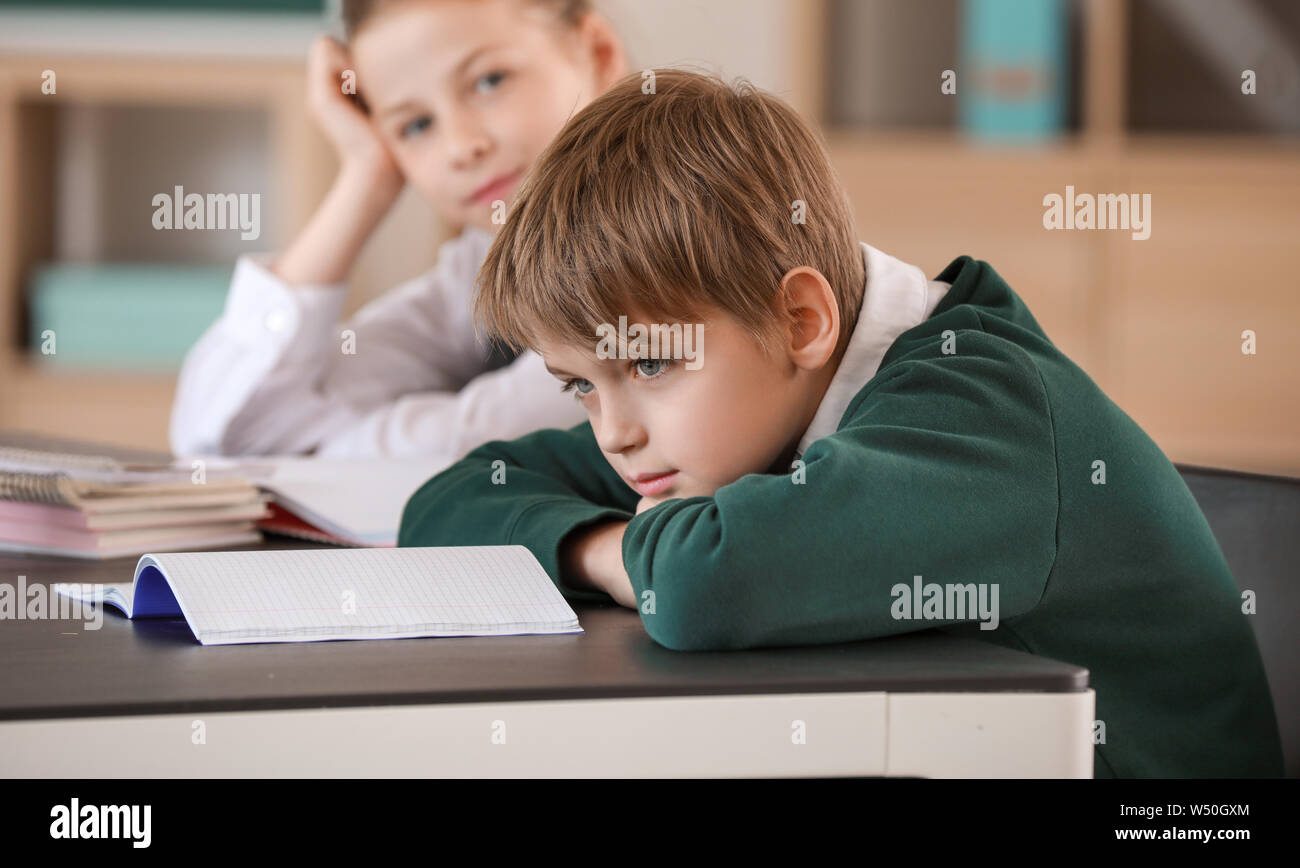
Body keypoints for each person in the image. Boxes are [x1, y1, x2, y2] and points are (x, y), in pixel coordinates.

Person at [398, 69, 1284, 778]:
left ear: (801, 322)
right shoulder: (715, 424)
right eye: (579, 386)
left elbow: (706, 582)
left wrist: (641, 556)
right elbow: (451, 501)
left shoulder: (979, 407)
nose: (614, 432)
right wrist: (607, 545)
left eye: (652, 363)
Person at [170, 0, 626, 459]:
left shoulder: (652, 249)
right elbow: (226, 431)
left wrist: (320, 451)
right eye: (415, 125)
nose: (461, 146)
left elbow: (472, 448)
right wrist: (366, 176)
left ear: (597, 53)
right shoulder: (479, 270)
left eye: (489, 81)